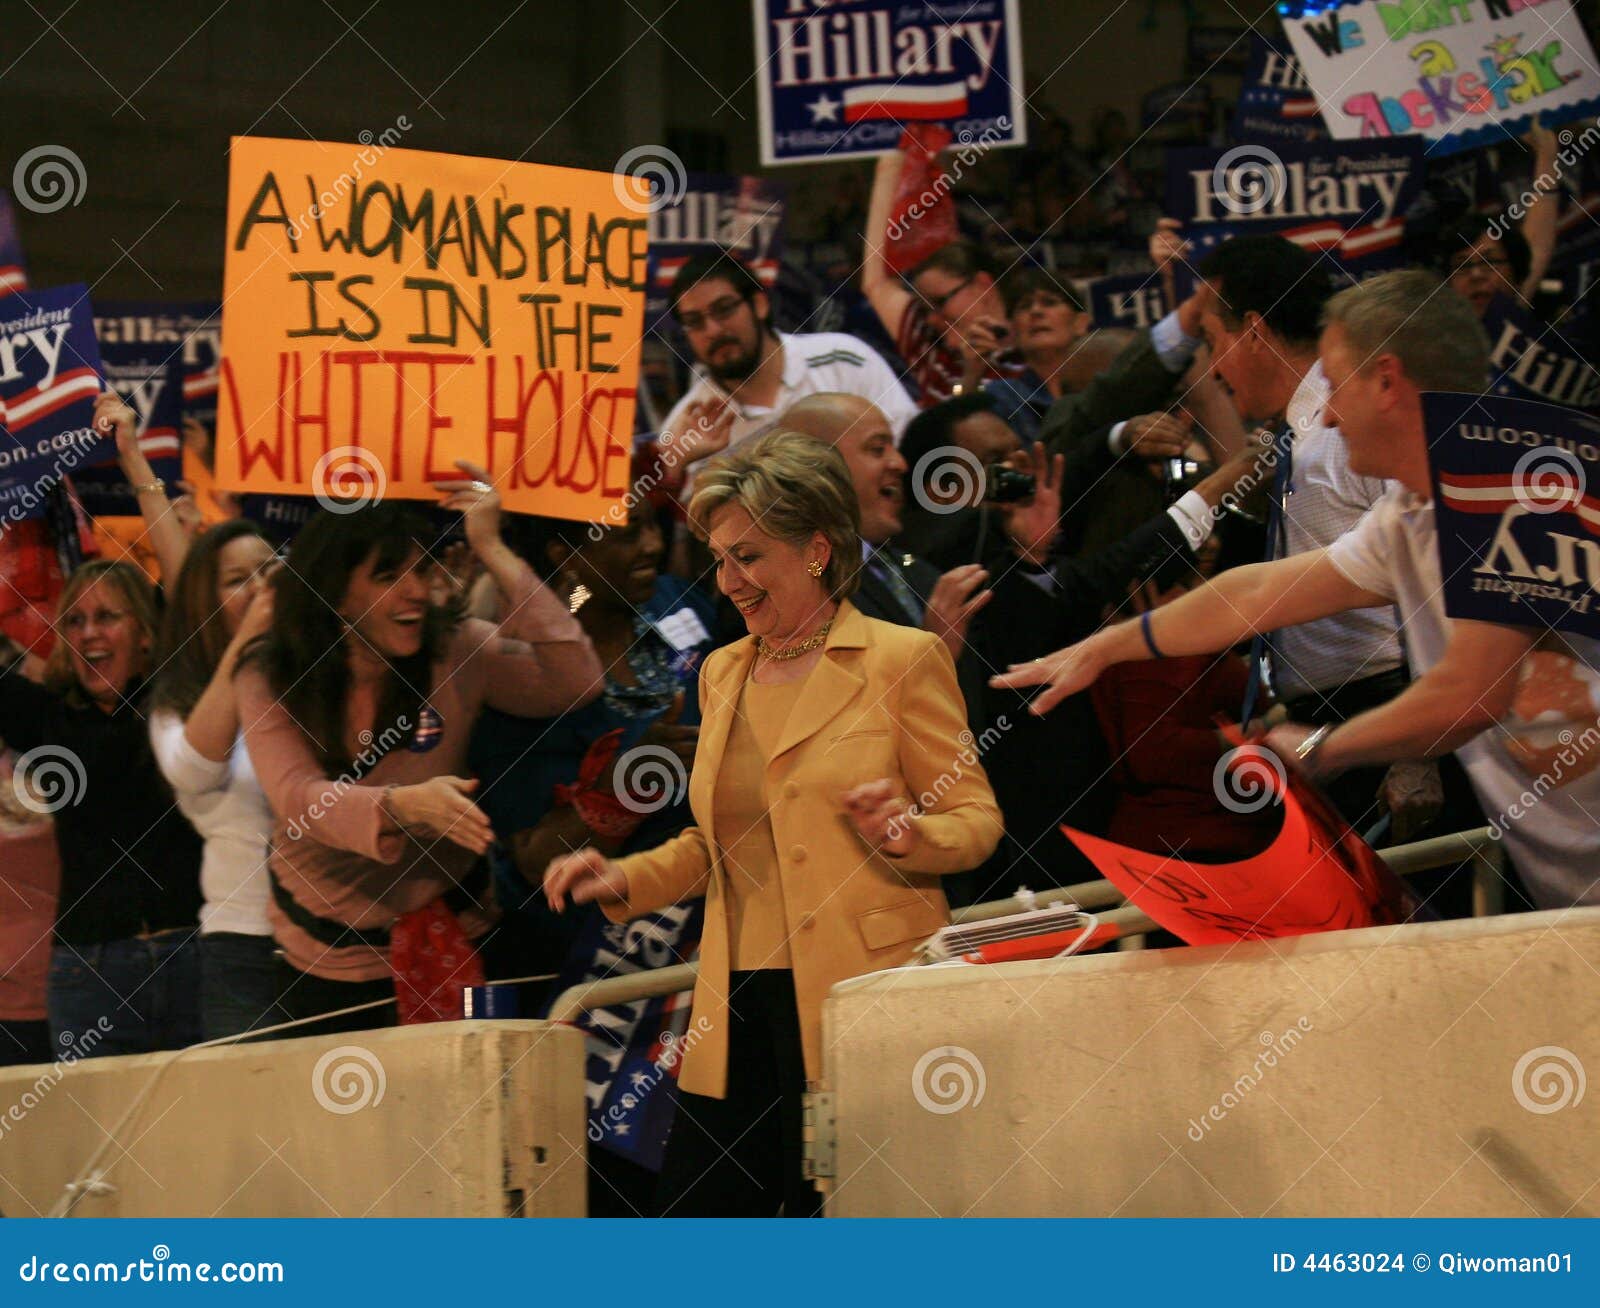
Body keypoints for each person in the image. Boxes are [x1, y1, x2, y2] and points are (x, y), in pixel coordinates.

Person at [994, 271, 1597, 912]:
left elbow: (1471, 697)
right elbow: (1256, 593)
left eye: (1335, 388)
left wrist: (1322, 748)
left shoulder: (1521, 480)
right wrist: (1110, 646)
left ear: (1388, 381)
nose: (1328, 415)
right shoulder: (1419, 505)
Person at [543, 430, 1003, 1217]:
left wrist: (911, 835)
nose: (728, 582)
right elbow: (713, 843)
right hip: (737, 1006)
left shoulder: (904, 658)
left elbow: (977, 819)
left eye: (748, 557)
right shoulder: (721, 672)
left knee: (863, 1223)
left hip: (861, 996)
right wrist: (625, 877)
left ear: (818, 550)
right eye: (720, 559)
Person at [237, 466, 604, 1032]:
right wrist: (402, 808)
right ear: (333, 592)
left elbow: (577, 679)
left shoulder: (457, 647)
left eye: (421, 569)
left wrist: (493, 547)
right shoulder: (269, 672)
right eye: (388, 575)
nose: (415, 590)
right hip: (330, 964)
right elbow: (297, 798)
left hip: (464, 933)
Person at [468, 496, 715, 1217]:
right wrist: (611, 803)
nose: (646, 542)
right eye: (620, 529)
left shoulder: (680, 603)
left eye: (649, 523)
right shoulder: (523, 663)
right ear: (561, 552)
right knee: (609, 1190)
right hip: (590, 978)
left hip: (709, 951)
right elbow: (521, 867)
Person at [1187, 233, 1439, 836]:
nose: (1214, 369)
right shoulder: (1299, 437)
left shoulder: (1350, 428)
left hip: (1398, 714)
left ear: (1252, 332)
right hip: (1330, 718)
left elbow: (1441, 580)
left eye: (1212, 342)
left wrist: (1419, 751)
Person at [0, 392, 203, 1058]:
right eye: (76, 620)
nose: (88, 633)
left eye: (107, 617)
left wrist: (132, 456)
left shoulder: (177, 692)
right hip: (89, 972)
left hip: (196, 958)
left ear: (146, 633)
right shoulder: (46, 717)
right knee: (95, 1163)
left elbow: (192, 587)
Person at [148, 520, 282, 1041]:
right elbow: (194, 770)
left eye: (270, 568)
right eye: (237, 580)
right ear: (205, 605)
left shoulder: (318, 675)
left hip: (338, 940)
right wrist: (248, 638)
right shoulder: (180, 700)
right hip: (244, 945)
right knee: (250, 1115)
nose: (261, 586)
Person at [654, 248, 918, 477]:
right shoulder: (687, 426)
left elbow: (909, 444)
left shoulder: (844, 360)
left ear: (759, 304)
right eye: (694, 322)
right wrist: (676, 465)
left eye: (724, 309)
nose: (712, 330)